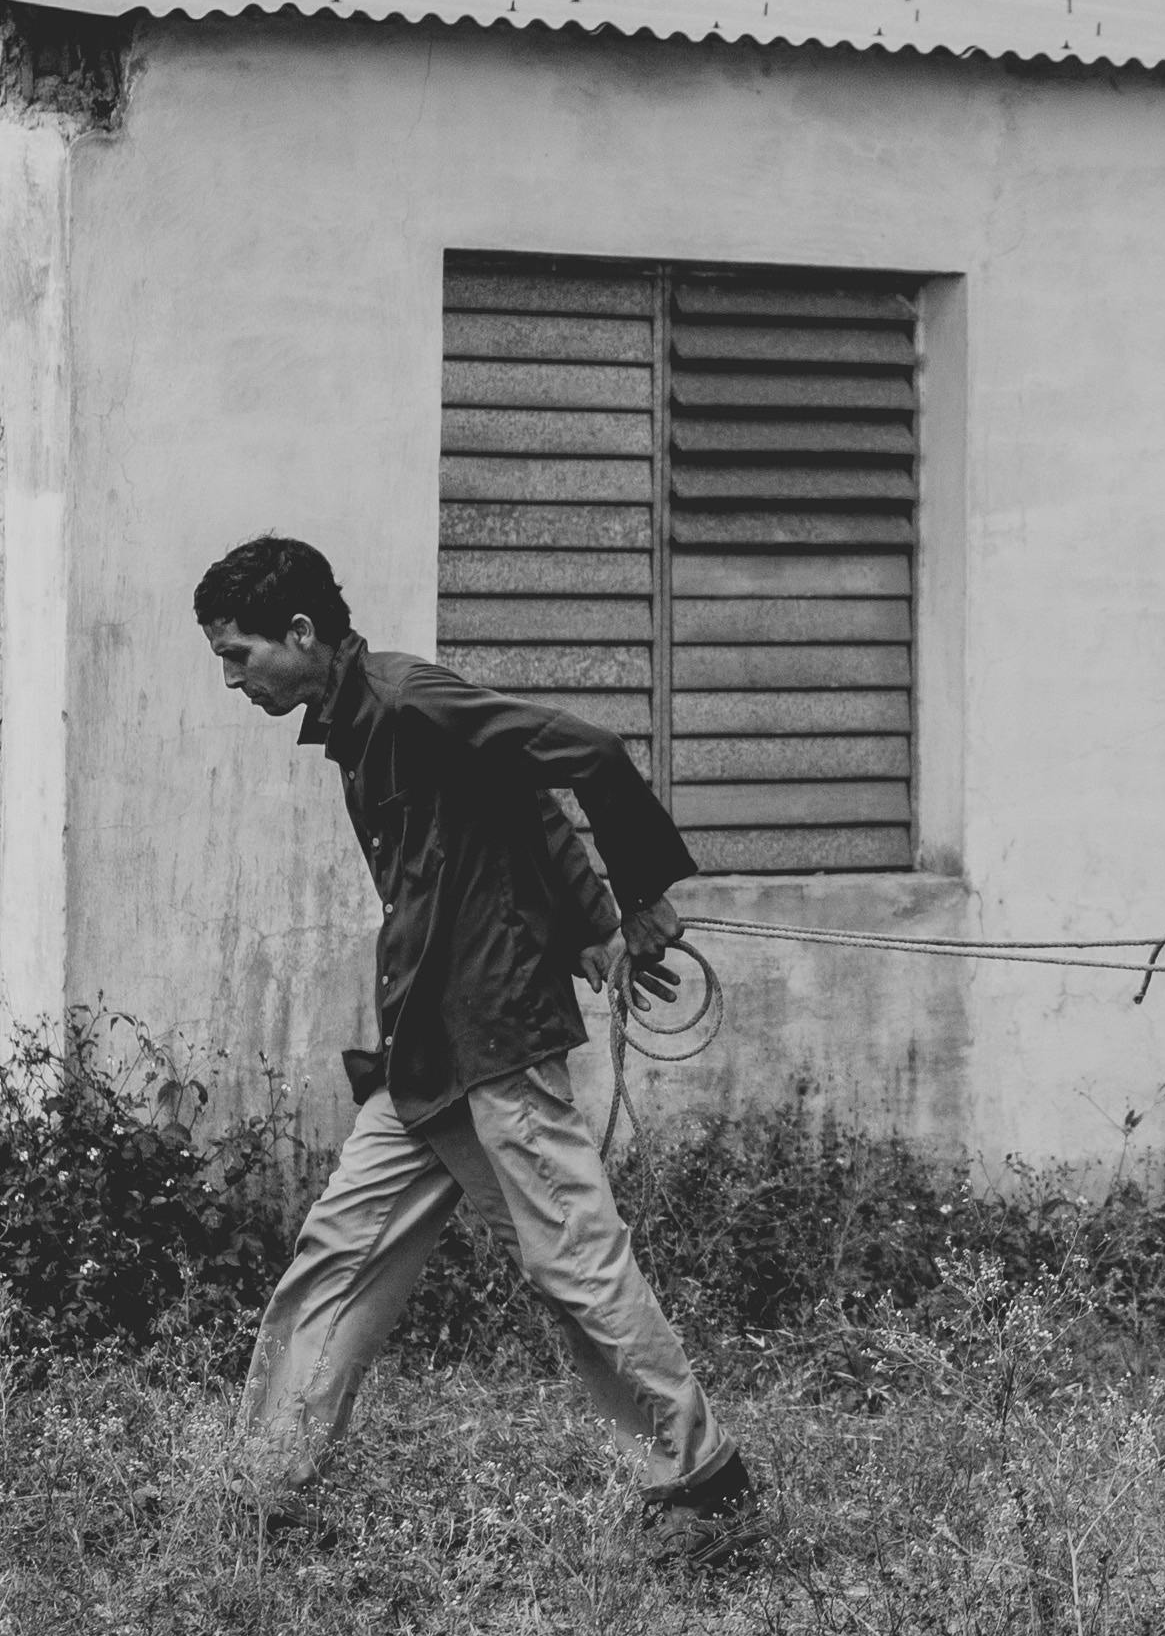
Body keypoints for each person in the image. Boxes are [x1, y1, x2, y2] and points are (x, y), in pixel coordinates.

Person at [195, 534, 756, 1538]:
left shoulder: (412, 701)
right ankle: (257, 1488)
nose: (233, 678)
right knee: (338, 1250)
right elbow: (518, 805)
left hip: (491, 1036)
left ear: (301, 632)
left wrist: (634, 902)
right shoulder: (360, 724)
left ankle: (703, 1487)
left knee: (575, 1264)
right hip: (422, 1048)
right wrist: (590, 925)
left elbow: (586, 755)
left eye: (240, 654)